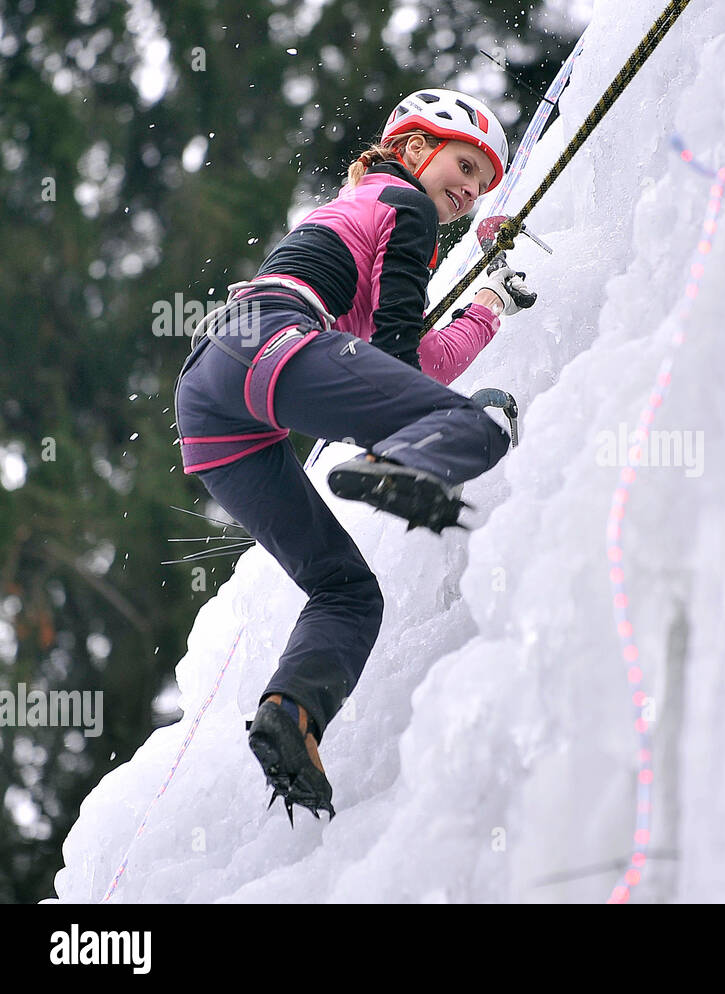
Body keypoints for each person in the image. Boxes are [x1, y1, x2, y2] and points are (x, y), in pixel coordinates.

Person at [172, 89, 535, 824]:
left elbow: (413, 364)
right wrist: (403, 435)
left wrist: (488, 305)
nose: (467, 191)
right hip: (269, 339)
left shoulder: (367, 213)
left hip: (213, 405)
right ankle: (398, 463)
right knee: (486, 421)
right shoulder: (402, 207)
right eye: (463, 166)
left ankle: (292, 714)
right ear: (408, 150)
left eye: (480, 187)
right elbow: (402, 357)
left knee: (347, 591)